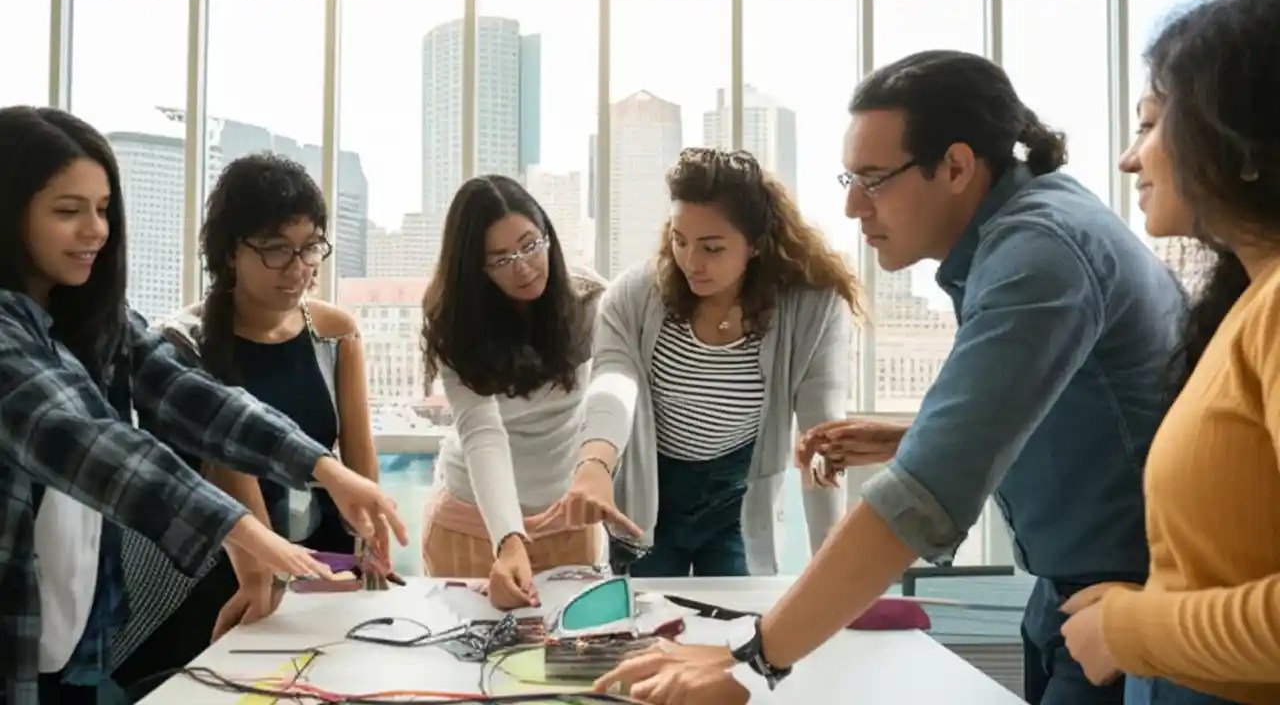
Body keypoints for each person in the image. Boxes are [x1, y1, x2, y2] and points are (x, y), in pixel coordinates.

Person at [594, 51, 1184, 704]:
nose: (851, 206)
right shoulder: (1033, 229)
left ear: (957, 167)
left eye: (872, 179)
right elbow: (1065, 411)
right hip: (1077, 590)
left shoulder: (1040, 253)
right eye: (850, 177)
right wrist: (910, 435)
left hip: (1134, 601)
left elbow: (926, 494)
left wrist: (751, 660)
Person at [0, 106, 405, 705]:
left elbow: (196, 397)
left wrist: (325, 469)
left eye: (104, 209)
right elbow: (93, 443)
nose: (96, 231)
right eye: (68, 211)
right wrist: (246, 533)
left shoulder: (94, 317)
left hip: (77, 623)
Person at [1062, 0, 1280, 704]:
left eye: (1151, 123)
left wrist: (1133, 628)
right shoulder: (1247, 304)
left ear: (1243, 141)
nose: (1130, 160)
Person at [110, 153, 383, 695]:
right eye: (277, 248)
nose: (299, 267)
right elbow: (232, 471)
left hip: (314, 563)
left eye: (310, 247)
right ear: (232, 250)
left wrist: (369, 551)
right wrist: (272, 574)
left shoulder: (334, 331)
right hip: (212, 572)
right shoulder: (182, 341)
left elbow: (359, 464)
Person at [536, 147, 864, 579]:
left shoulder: (813, 308)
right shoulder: (634, 295)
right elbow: (613, 383)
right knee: (648, 626)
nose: (691, 262)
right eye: (680, 240)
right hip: (652, 498)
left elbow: (822, 435)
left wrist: (832, 567)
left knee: (737, 630)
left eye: (712, 247)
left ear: (755, 245)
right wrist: (594, 464)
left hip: (737, 502)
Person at [420, 175, 641, 609]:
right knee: (466, 659)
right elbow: (481, 431)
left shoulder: (589, 300)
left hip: (564, 518)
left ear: (548, 235)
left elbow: (616, 386)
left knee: (569, 659)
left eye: (529, 244)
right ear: (474, 269)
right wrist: (507, 538)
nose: (522, 266)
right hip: (472, 524)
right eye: (499, 259)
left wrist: (598, 466)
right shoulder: (455, 321)